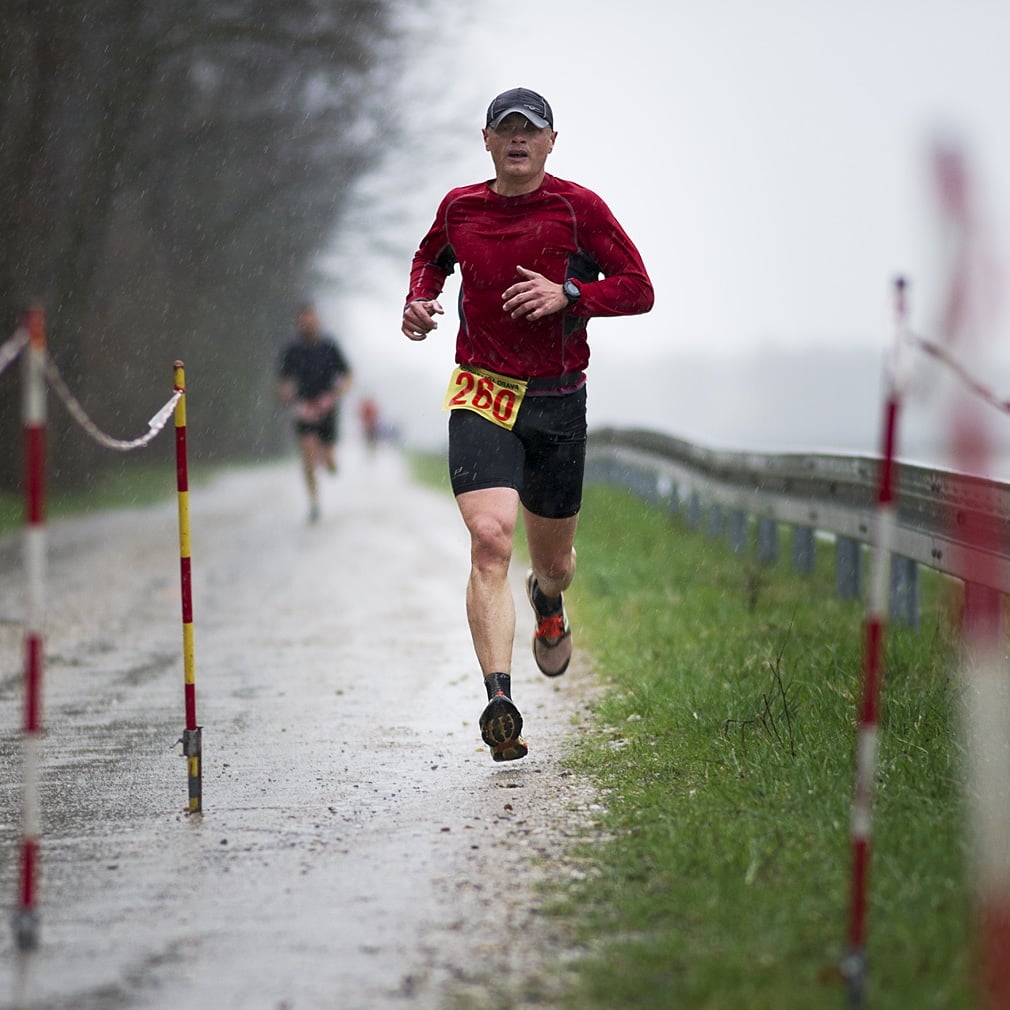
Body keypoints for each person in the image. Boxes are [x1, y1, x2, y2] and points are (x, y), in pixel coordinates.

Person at [401, 87, 654, 761]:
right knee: (489, 542)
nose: (518, 139)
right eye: (506, 129)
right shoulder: (460, 208)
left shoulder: (579, 209)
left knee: (555, 562)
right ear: (486, 139)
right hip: (482, 390)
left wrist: (571, 294)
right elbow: (430, 262)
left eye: (530, 130)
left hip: (557, 400)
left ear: (550, 141)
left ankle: (548, 600)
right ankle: (498, 699)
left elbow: (638, 287)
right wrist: (418, 302)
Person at [277, 304, 352, 522]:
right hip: (304, 409)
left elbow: (348, 376)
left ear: (317, 321)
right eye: (303, 321)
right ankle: (314, 502)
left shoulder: (330, 346)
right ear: (298, 324)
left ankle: (327, 458)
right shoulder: (292, 350)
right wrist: (288, 394)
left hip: (326, 408)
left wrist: (333, 396)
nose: (307, 325)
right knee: (307, 456)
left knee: (329, 463)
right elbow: (282, 380)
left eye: (310, 320)